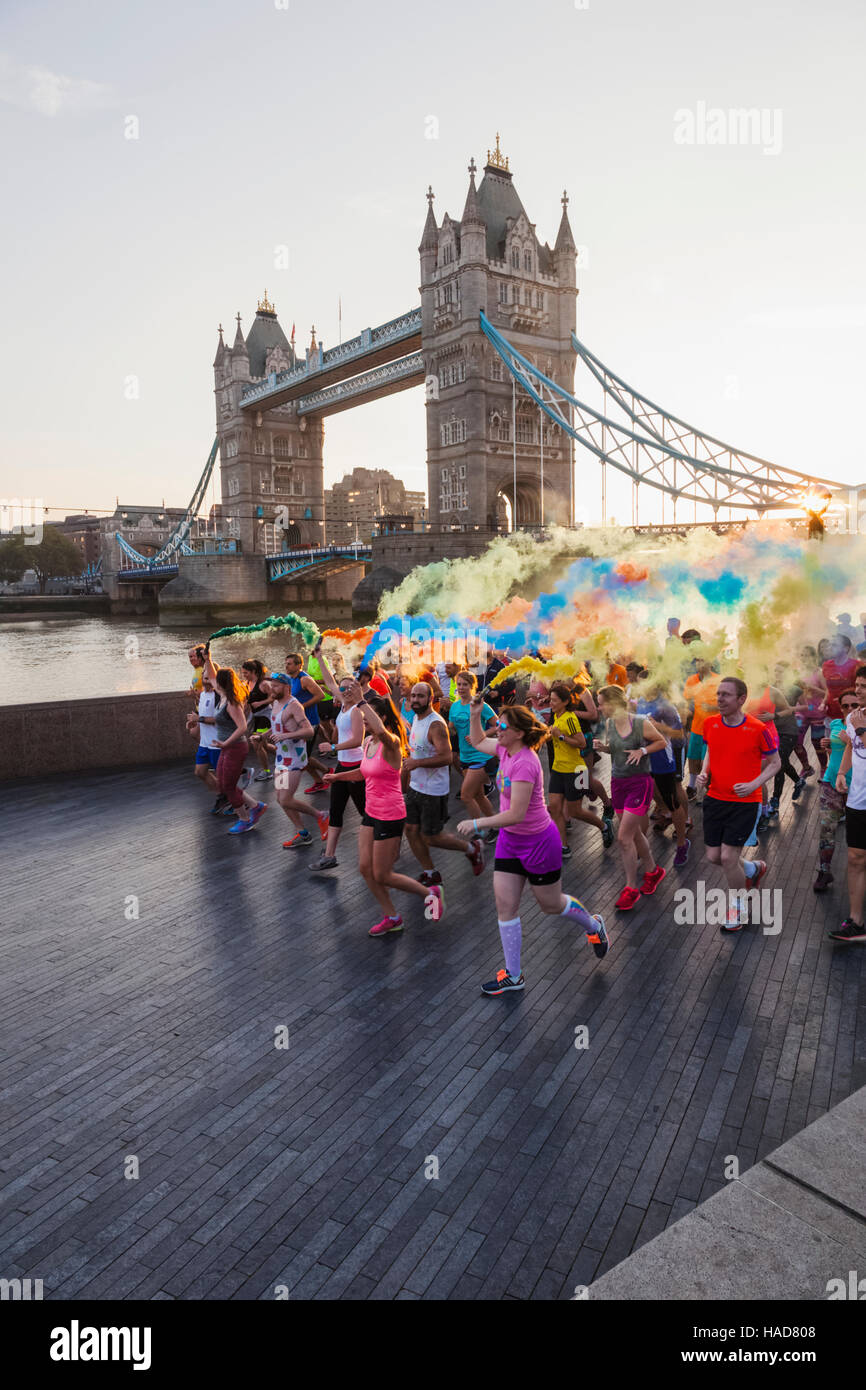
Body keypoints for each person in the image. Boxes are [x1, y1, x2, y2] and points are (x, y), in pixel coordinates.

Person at [456, 699, 609, 996]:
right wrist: (475, 715)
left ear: (519, 733)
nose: (497, 729)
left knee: (551, 905)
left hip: (539, 843)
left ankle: (594, 926)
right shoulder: (504, 749)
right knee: (505, 906)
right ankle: (513, 975)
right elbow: (478, 740)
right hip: (510, 843)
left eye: (503, 725)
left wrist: (478, 823)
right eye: (498, 724)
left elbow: (516, 814)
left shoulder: (526, 762)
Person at [323, 684, 444, 935]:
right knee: (365, 869)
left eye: (369, 716)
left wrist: (360, 701)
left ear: (383, 718)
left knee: (384, 875)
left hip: (390, 814)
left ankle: (430, 893)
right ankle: (392, 917)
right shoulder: (368, 741)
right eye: (363, 717)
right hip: (371, 812)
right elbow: (364, 772)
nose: (364, 720)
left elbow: (380, 730)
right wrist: (338, 777)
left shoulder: (392, 743)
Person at [698, 677, 781, 932]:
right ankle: (753, 869)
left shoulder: (758, 728)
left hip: (745, 803)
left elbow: (776, 763)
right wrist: (704, 772)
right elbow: (711, 750)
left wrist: (754, 784)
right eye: (718, 694)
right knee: (714, 857)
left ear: (741, 699)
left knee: (727, 857)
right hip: (715, 799)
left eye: (726, 694)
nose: (719, 699)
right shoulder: (710, 723)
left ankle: (738, 907)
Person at [403, 681, 485, 885]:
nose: (415, 700)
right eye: (413, 696)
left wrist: (416, 763)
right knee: (410, 830)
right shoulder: (416, 717)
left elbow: (447, 757)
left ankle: (471, 849)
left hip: (432, 791)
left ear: (431, 699)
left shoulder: (436, 725)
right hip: (415, 786)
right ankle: (431, 873)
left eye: (420, 696)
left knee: (432, 837)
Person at [595, 685, 667, 910]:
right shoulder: (609, 723)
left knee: (624, 838)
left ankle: (630, 888)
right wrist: (604, 748)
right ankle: (653, 871)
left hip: (639, 784)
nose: (599, 708)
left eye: (601, 704)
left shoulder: (639, 723)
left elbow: (661, 741)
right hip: (618, 783)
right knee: (634, 834)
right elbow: (616, 749)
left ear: (613, 703)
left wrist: (642, 751)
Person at [309, 653, 368, 870]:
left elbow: (357, 740)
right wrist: (319, 658)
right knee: (335, 810)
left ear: (356, 690)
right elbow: (328, 681)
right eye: (342, 687)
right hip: (342, 765)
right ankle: (329, 855)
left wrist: (333, 747)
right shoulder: (343, 704)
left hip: (356, 767)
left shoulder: (356, 711)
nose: (344, 690)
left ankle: (384, 843)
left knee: (365, 812)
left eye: (350, 687)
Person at [203, 650, 268, 835]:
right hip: (227, 747)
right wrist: (208, 659)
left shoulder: (231, 702)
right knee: (224, 784)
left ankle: (245, 820)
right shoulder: (222, 694)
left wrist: (226, 743)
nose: (211, 681)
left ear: (222, 683)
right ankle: (256, 806)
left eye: (216, 680)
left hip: (235, 747)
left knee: (229, 787)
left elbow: (242, 727)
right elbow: (212, 676)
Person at [547, 682, 614, 853]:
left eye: (554, 700)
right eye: (550, 700)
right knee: (554, 808)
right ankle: (563, 846)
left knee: (575, 811)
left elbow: (582, 743)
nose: (550, 703)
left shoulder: (570, 718)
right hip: (558, 769)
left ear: (564, 702)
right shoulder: (556, 716)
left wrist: (561, 737)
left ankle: (604, 827)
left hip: (576, 770)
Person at [266, 673, 329, 850]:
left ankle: (321, 815)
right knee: (280, 799)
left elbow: (309, 731)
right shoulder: (276, 703)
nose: (272, 688)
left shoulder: (294, 705)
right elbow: (276, 727)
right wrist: (262, 737)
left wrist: (285, 736)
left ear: (287, 687)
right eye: (271, 685)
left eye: (276, 685)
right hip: (281, 759)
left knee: (286, 799)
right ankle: (303, 833)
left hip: (294, 759)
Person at [635, 681, 690, 867]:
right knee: (647, 799)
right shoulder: (641, 701)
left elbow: (679, 733)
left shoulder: (665, 706)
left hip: (663, 759)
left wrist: (658, 726)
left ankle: (682, 843)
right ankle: (642, 844)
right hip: (645, 758)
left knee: (672, 801)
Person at [829, 693, 866, 941]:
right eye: (858, 685)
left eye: (864, 686)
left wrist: (860, 728)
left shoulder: (858, 721)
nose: (859, 691)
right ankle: (856, 922)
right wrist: (842, 772)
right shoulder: (854, 716)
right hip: (858, 799)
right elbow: (853, 745)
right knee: (855, 858)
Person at [814, 689, 857, 892]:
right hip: (831, 783)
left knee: (857, 835)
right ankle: (824, 871)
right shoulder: (836, 724)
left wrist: (849, 741)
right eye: (845, 706)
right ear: (840, 708)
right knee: (827, 830)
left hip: (858, 788)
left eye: (854, 705)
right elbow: (834, 751)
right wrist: (827, 744)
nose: (850, 709)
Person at [448, 670, 498, 837]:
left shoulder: (479, 705)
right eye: (459, 684)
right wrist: (449, 729)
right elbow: (452, 728)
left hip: (481, 755)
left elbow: (498, 725)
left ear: (472, 686)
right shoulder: (454, 706)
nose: (461, 688)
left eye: (465, 684)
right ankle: (494, 827)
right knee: (478, 796)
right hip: (465, 756)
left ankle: (479, 831)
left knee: (466, 796)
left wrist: (481, 735)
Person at [285, 650, 330, 793]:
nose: (286, 666)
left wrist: (301, 707)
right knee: (302, 756)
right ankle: (326, 772)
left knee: (302, 757)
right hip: (300, 723)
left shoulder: (305, 679)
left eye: (289, 664)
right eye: (286, 664)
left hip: (310, 722)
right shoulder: (291, 679)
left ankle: (322, 779)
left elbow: (320, 695)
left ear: (299, 665)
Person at [683, 659, 720, 799]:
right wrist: (685, 713)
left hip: (714, 729)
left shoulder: (719, 680)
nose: (699, 665)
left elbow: (728, 703)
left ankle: (708, 791)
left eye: (703, 661)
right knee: (692, 758)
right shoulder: (691, 680)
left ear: (711, 663)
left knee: (706, 763)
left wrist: (712, 707)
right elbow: (686, 700)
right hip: (696, 727)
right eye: (697, 662)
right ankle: (692, 787)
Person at [186, 670, 222, 809]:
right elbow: (202, 715)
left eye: (208, 678)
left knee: (223, 777)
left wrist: (199, 719)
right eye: (203, 677)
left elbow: (219, 720)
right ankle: (222, 796)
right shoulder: (202, 695)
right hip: (204, 743)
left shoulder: (218, 696)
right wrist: (194, 722)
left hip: (216, 743)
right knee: (200, 772)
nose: (205, 680)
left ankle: (234, 800)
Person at [242, 658, 275, 782]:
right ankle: (285, 756)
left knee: (256, 743)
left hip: (265, 716)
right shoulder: (247, 684)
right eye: (243, 673)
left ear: (253, 672)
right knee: (264, 745)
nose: (244, 675)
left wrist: (261, 702)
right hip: (255, 717)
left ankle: (266, 772)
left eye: (246, 673)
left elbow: (273, 697)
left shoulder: (263, 684)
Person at [822, 634, 859, 720]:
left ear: (846, 648)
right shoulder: (826, 665)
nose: (830, 648)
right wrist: (823, 703)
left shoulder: (857, 666)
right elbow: (828, 689)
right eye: (830, 645)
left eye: (834, 645)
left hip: (852, 715)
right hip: (831, 715)